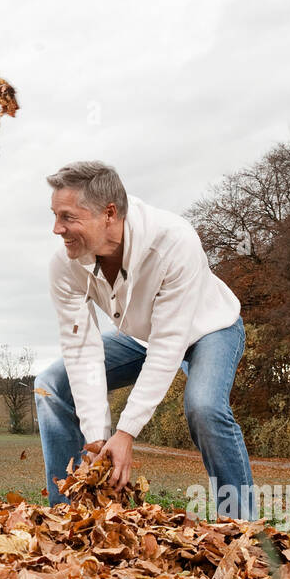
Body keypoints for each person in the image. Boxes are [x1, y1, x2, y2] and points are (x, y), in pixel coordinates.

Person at [35, 160, 258, 519]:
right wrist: (97, 439)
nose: (56, 229)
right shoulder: (65, 264)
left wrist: (125, 432)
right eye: (55, 215)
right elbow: (81, 351)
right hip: (143, 337)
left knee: (204, 406)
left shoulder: (174, 241)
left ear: (109, 213)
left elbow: (169, 345)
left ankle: (242, 523)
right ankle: (70, 515)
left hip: (209, 329)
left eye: (67, 217)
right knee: (50, 385)